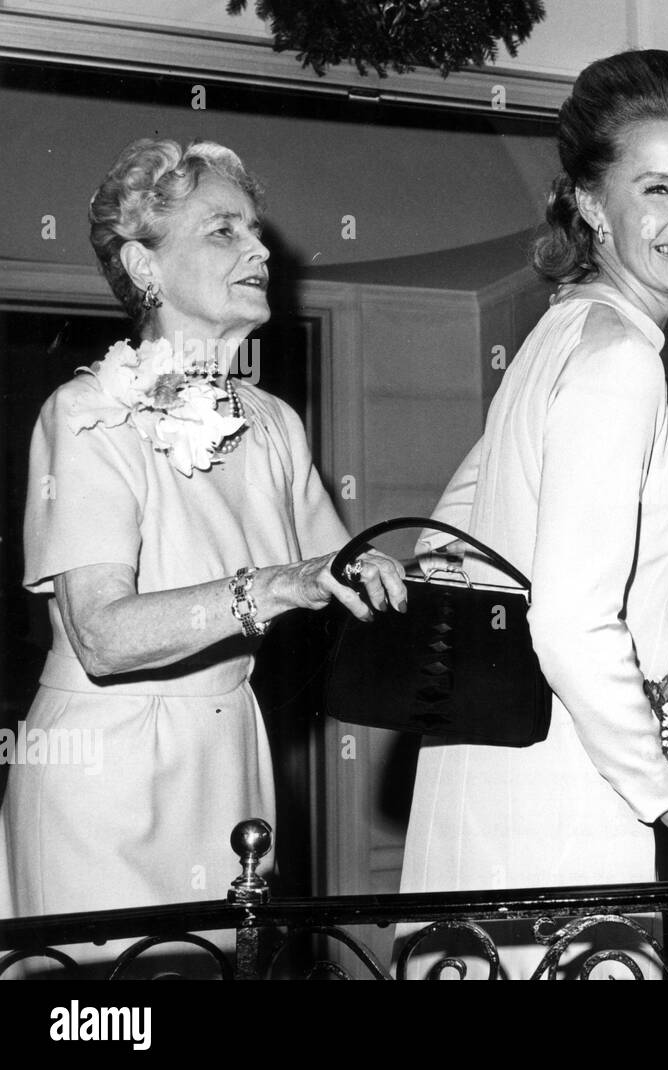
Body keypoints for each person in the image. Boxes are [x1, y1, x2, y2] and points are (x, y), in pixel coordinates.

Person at [0, 138, 406, 975]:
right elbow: (103, 637)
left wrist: (428, 581)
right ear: (143, 264)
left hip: (228, 753)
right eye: (224, 230)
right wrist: (276, 586)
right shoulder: (85, 417)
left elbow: (344, 570)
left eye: (254, 230)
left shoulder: (273, 424)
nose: (260, 249)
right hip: (104, 770)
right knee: (106, 1018)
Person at [395, 50, 668, 979]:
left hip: (493, 762)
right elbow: (572, 620)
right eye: (657, 188)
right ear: (590, 204)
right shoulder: (619, 360)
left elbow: (443, 546)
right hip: (571, 785)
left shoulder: (559, 335)